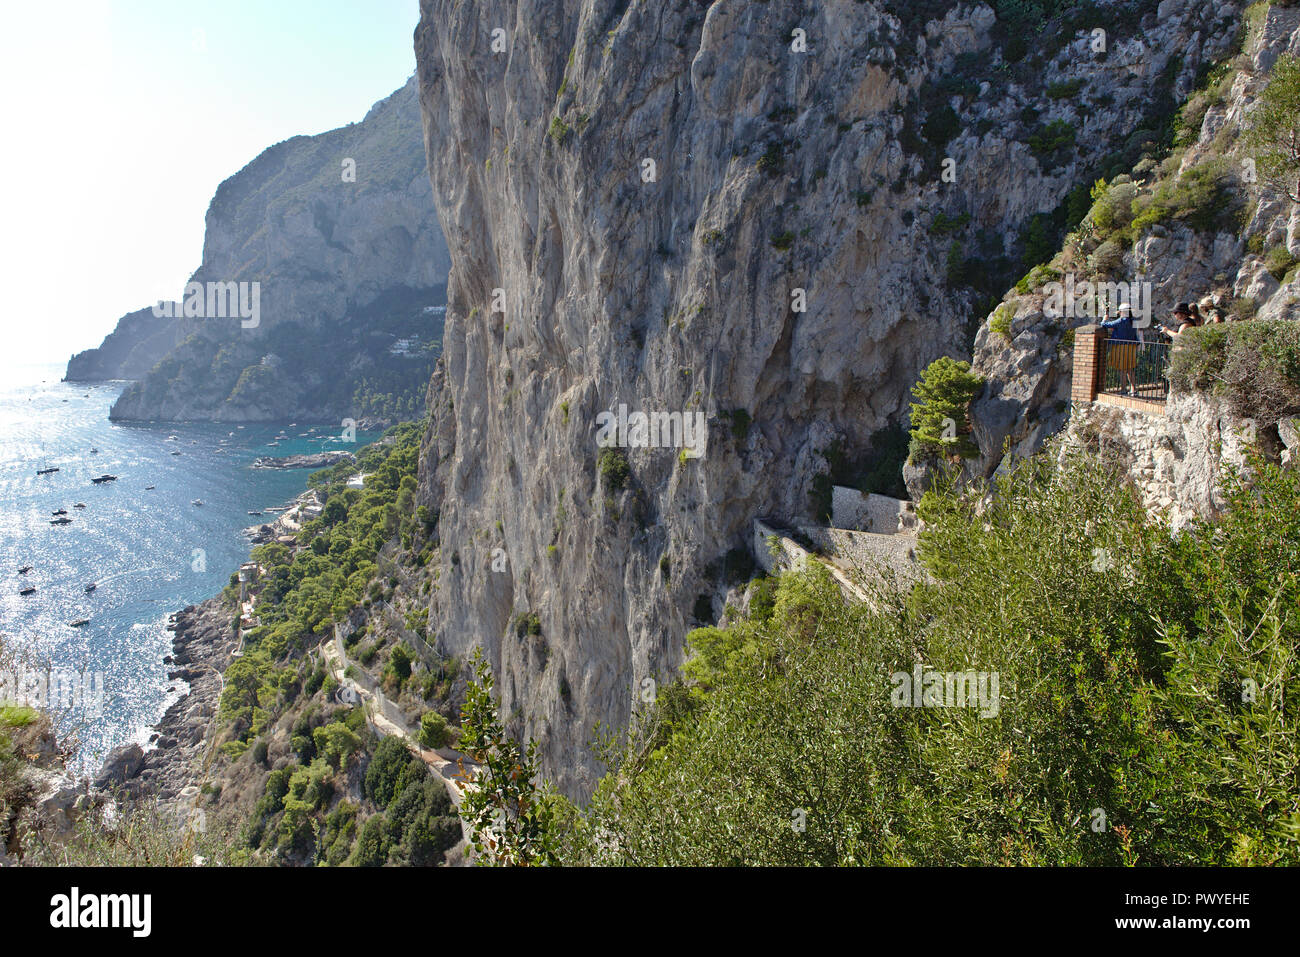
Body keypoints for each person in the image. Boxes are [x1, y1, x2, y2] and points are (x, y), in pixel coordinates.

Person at [1100, 304, 1141, 395]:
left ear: (1122, 312)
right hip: (1131, 347)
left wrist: (1104, 318)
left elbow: (1104, 325)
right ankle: (1133, 389)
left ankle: (1123, 389)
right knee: (1130, 369)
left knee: (1122, 369)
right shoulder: (1133, 321)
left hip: (1120, 347)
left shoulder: (1121, 321)